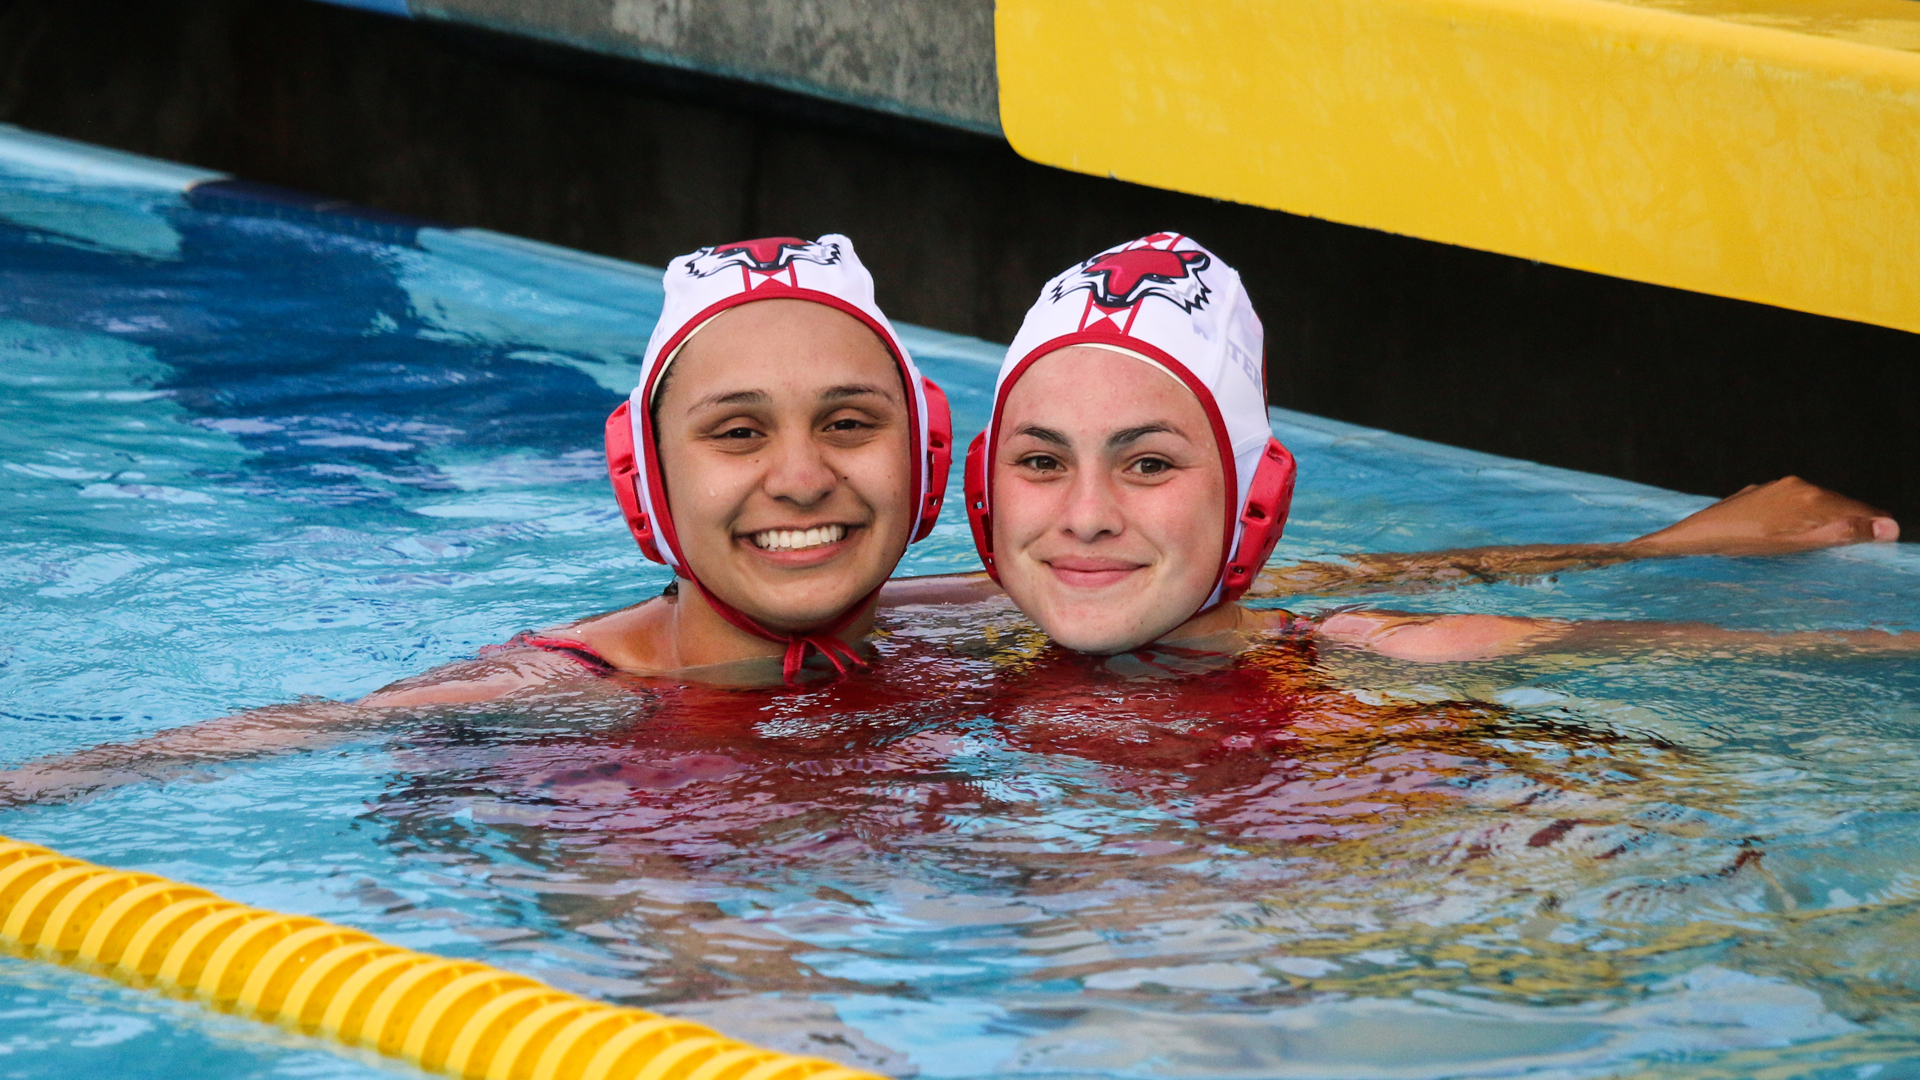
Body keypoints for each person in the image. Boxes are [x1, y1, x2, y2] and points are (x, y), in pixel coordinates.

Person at [0, 232, 1897, 808]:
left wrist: (1680, 553)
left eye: (847, 426)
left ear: (931, 481)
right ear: (643, 476)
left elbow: (1359, 589)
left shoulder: (951, 631)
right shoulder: (572, 688)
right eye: (736, 435)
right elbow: (286, 740)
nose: (802, 477)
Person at [952, 231, 1909, 663]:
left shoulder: (1373, 657)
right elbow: (1372, 570)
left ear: (1256, 503)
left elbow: (1775, 648)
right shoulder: (948, 617)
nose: (1083, 516)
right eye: (1041, 461)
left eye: (1149, 463)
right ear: (984, 494)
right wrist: (1656, 550)